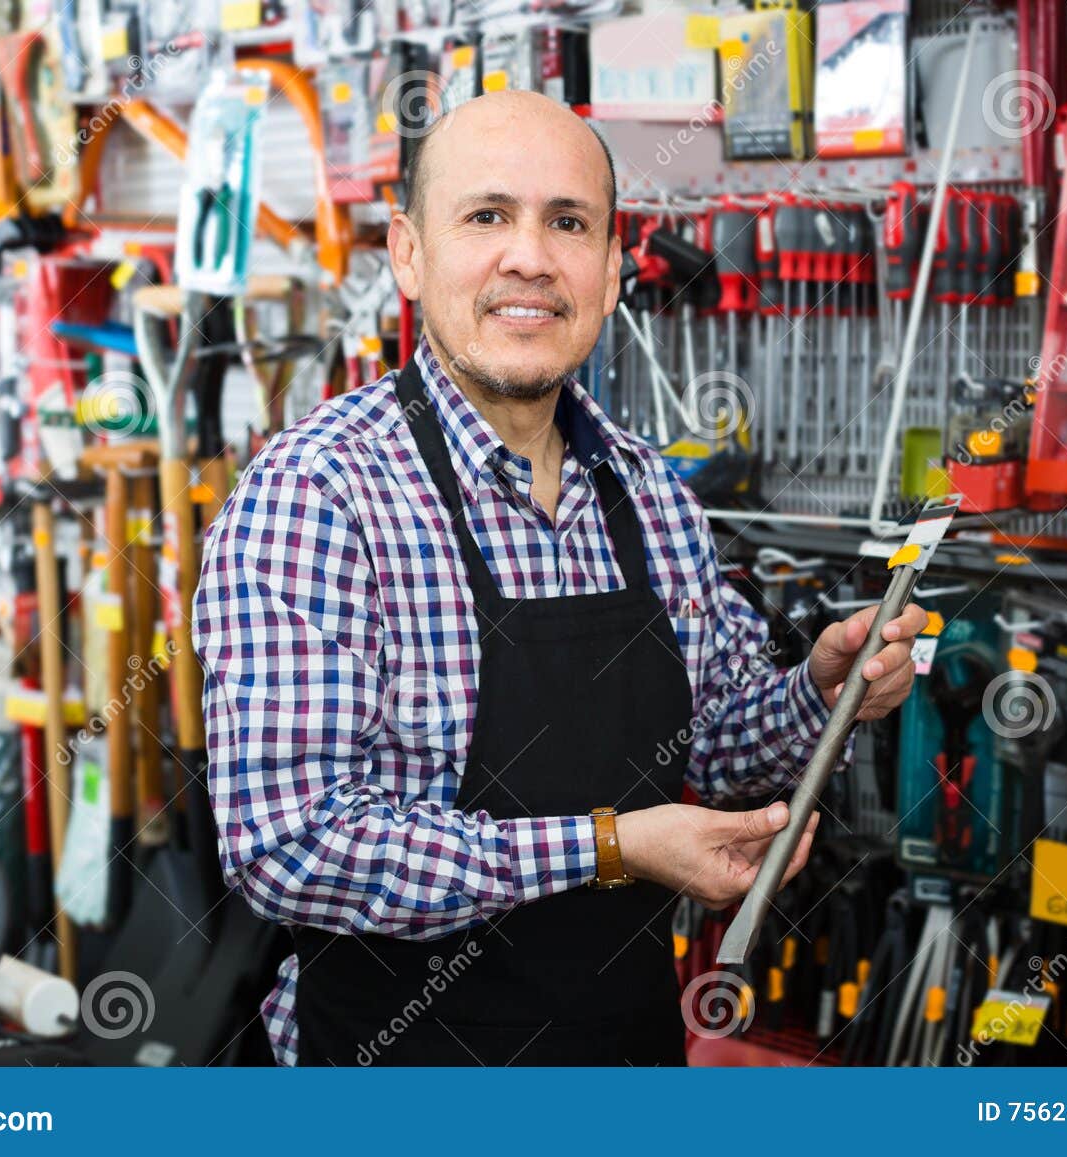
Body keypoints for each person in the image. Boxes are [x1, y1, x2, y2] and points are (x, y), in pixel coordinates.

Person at [192, 90, 927, 1066]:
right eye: (487, 215)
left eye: (568, 222)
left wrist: (817, 696)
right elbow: (290, 847)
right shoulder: (318, 495)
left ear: (615, 266)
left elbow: (708, 749)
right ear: (408, 254)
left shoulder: (652, 496)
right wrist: (611, 845)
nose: (530, 256)